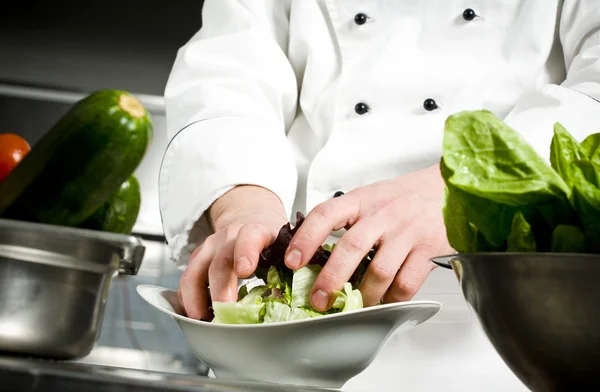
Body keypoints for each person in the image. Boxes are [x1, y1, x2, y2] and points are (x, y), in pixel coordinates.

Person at [159, 0, 600, 321]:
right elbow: (231, 67)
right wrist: (244, 202)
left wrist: (464, 190)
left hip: (501, 327)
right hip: (280, 328)